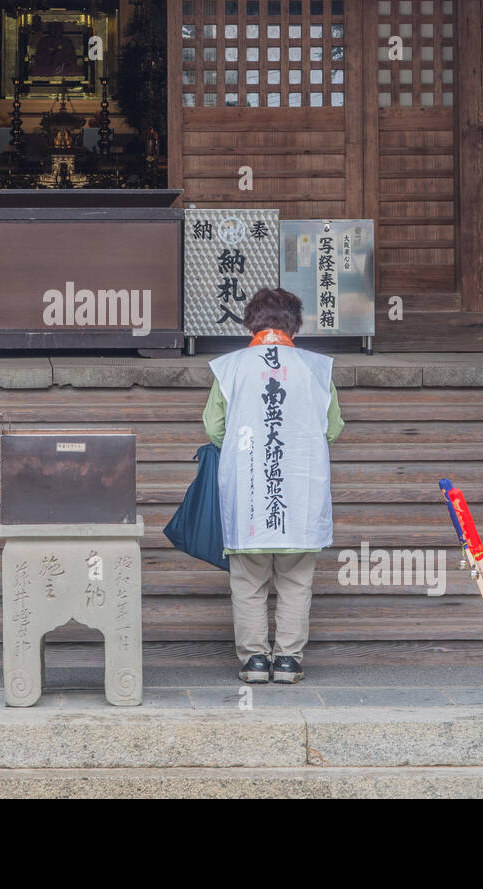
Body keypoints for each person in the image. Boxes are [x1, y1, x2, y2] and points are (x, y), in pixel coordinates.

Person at [202, 287, 343, 684]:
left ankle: (254, 662)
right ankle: (288, 662)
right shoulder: (317, 369)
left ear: (250, 323)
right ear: (295, 325)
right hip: (299, 492)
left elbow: (214, 429)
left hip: (247, 494)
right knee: (296, 582)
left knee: (248, 583)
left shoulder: (230, 368)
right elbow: (332, 429)